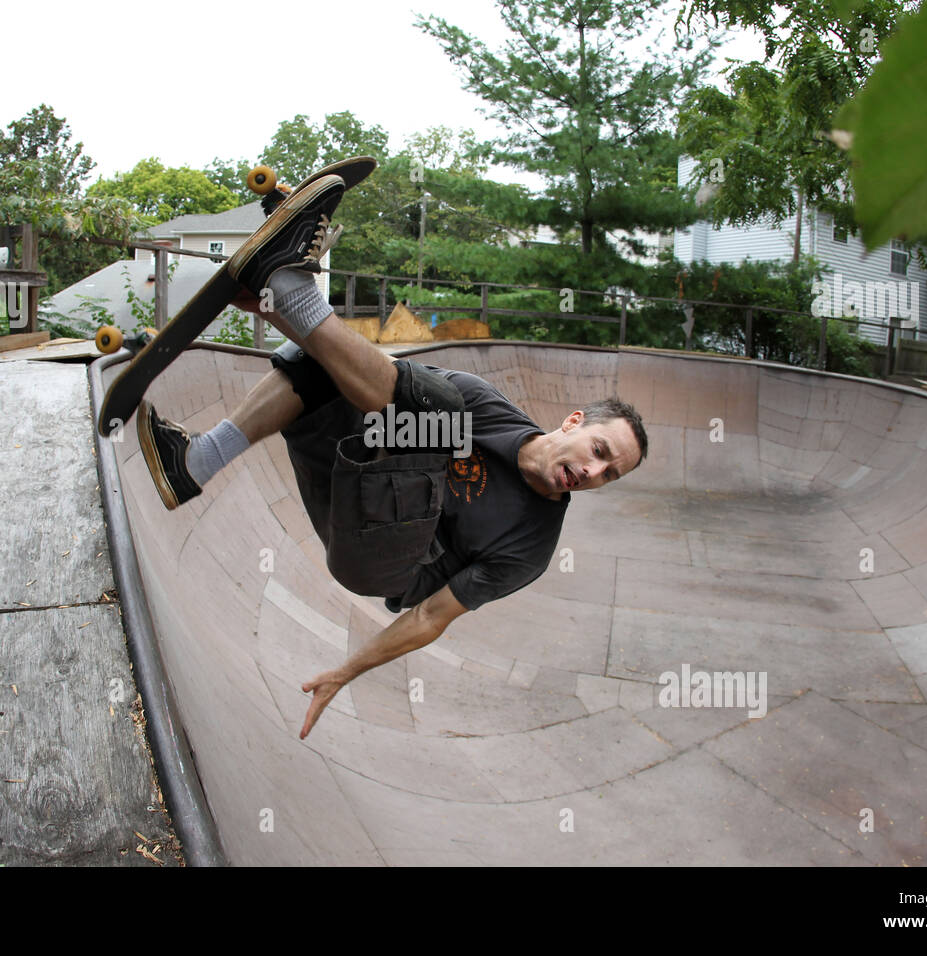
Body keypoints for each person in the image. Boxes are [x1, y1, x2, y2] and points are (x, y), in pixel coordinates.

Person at [134, 174, 647, 737]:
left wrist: (346, 671)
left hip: (382, 561)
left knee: (434, 412)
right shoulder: (489, 407)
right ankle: (197, 462)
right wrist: (271, 308)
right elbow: (380, 380)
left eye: (609, 475)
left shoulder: (530, 546)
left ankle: (295, 293)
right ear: (574, 422)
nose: (593, 473)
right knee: (343, 375)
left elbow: (430, 617)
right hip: (351, 486)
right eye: (599, 451)